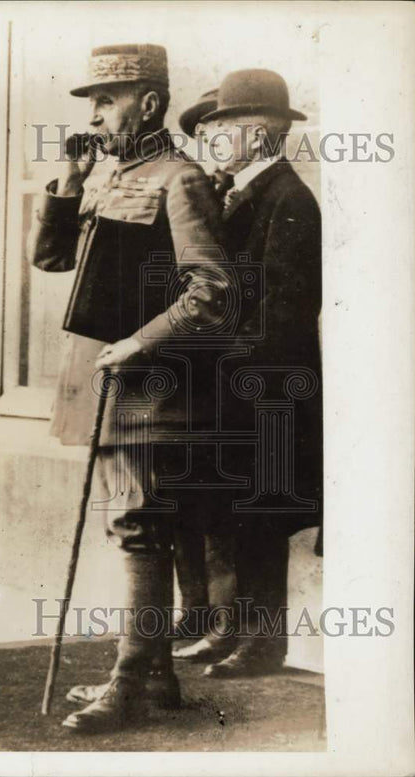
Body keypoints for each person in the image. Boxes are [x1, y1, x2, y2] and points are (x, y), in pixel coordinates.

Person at [28, 43, 228, 732]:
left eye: (105, 100)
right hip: (104, 380)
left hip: (154, 386)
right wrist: (70, 182)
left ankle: (129, 680)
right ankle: (158, 676)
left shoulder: (182, 179)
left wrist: (139, 342)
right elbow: (55, 261)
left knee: (139, 528)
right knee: (137, 527)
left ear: (148, 102)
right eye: (90, 102)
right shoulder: (113, 177)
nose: (94, 114)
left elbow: (213, 292)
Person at [177, 69, 323, 676]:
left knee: (260, 519)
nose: (211, 143)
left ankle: (264, 643)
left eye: (222, 131)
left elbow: (284, 312)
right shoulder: (240, 196)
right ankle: (230, 628)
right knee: (232, 512)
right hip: (237, 387)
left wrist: (231, 373)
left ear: (261, 136)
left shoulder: (289, 200)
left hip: (268, 391)